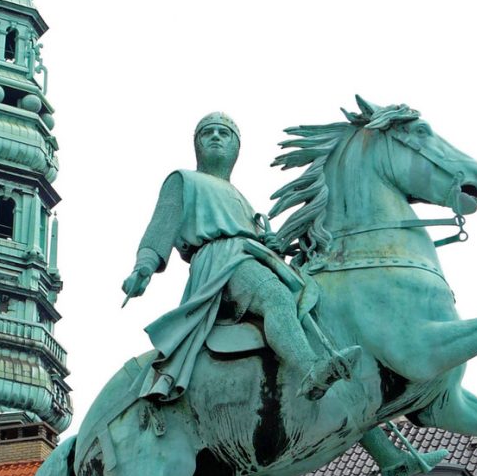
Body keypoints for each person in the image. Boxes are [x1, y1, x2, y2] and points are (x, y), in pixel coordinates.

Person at [122, 112, 359, 402]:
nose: (216, 137)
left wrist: (271, 243)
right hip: (221, 259)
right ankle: (310, 371)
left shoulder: (241, 197)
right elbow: (160, 227)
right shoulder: (184, 180)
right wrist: (143, 267)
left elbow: (253, 236)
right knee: (275, 296)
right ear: (197, 145)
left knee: (312, 296)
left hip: (253, 257)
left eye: (224, 133)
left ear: (236, 149)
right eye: (208, 133)